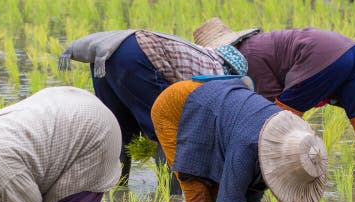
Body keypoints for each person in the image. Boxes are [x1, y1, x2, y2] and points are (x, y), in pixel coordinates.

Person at [150, 77, 328, 202]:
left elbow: (261, 173)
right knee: (199, 198)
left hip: (224, 111)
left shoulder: (288, 140)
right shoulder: (248, 147)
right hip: (180, 107)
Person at [58, 29, 249, 186]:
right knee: (168, 128)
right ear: (232, 71)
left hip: (105, 57)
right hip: (135, 56)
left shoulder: (196, 53)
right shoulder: (217, 72)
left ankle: (117, 192)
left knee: (119, 133)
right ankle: (170, 198)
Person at [194, 18, 355, 169]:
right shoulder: (258, 45)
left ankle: (287, 178)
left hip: (321, 58)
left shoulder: (247, 55)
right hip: (352, 51)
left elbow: (270, 108)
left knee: (277, 123)